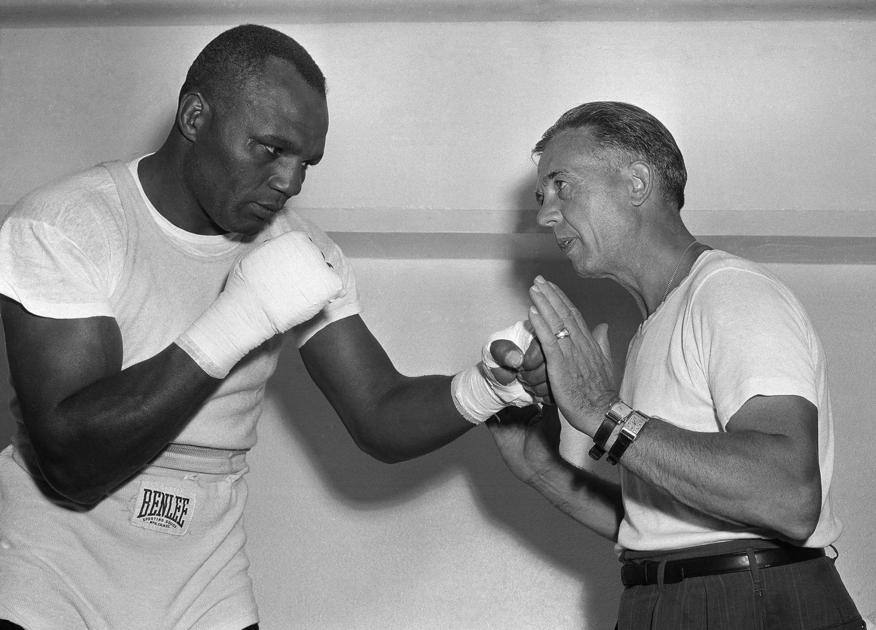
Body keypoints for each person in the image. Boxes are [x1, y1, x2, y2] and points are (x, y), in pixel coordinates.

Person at [0, 25, 534, 630]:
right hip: (52, 575)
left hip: (202, 581)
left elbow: (380, 415)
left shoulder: (301, 251)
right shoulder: (70, 223)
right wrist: (240, 318)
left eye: (306, 162)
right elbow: (74, 465)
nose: (290, 182)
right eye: (271, 149)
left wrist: (489, 385)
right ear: (195, 116)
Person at [488, 101, 866, 629]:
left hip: (749, 596)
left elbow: (788, 495)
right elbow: (662, 527)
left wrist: (603, 412)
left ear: (637, 183)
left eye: (561, 186)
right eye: (540, 196)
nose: (545, 214)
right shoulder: (651, 327)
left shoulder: (729, 291)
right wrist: (538, 465)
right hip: (667, 599)